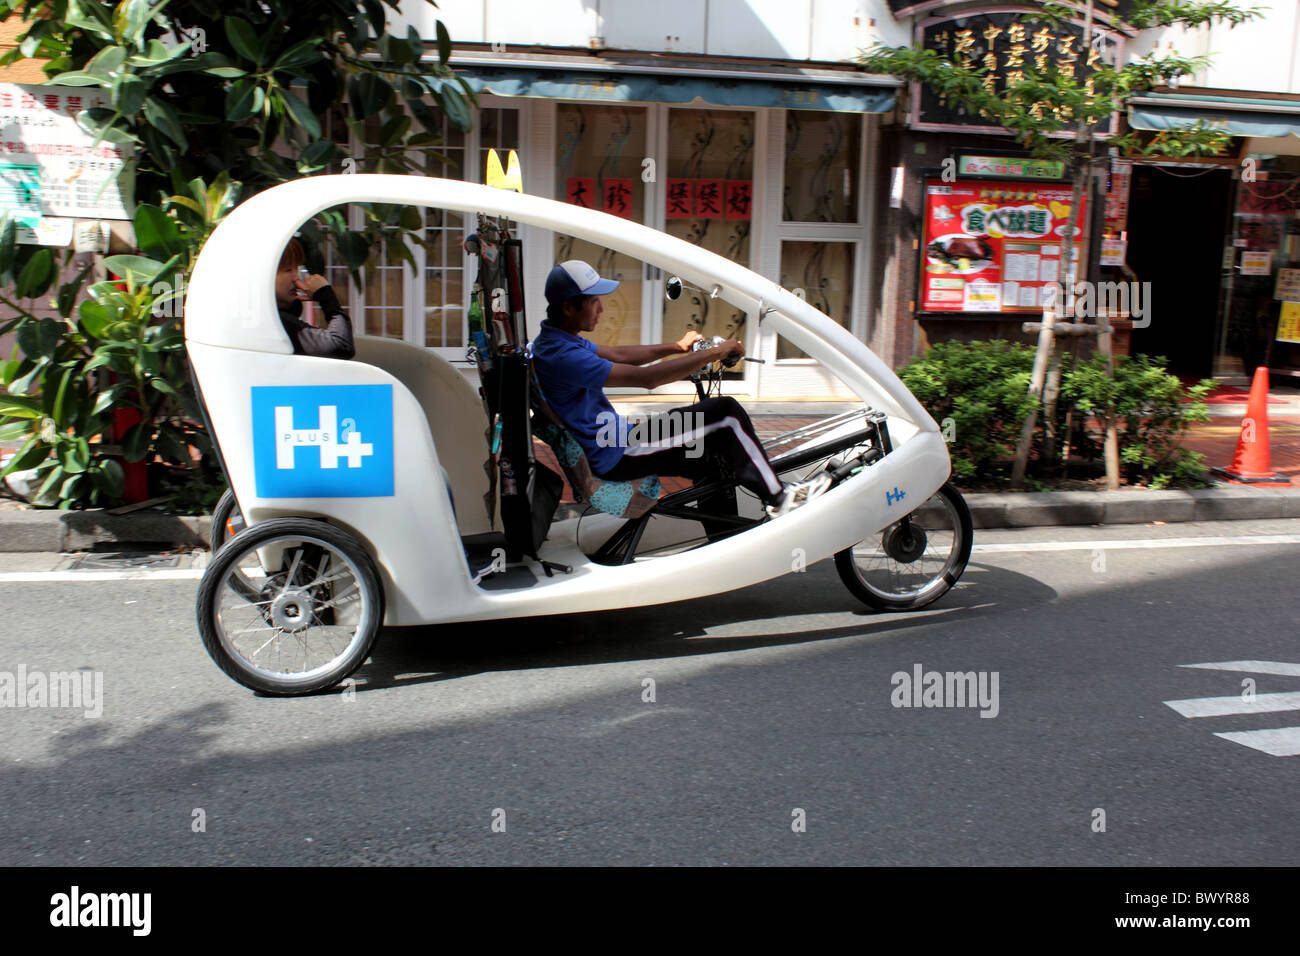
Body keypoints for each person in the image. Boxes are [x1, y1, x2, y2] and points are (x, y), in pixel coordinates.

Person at [531, 259, 830, 517]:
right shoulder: (562, 356)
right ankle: (779, 498)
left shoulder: (557, 339)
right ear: (569, 307)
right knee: (725, 413)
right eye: (594, 300)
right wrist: (717, 352)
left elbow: (621, 355)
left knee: (711, 457)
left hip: (619, 439)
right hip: (619, 452)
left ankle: (720, 547)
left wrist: (677, 346)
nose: (601, 307)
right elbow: (647, 379)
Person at [275, 238, 355, 359]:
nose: (296, 278)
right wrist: (327, 298)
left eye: (296, 268)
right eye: (288, 270)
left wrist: (292, 307)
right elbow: (341, 345)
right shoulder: (278, 320)